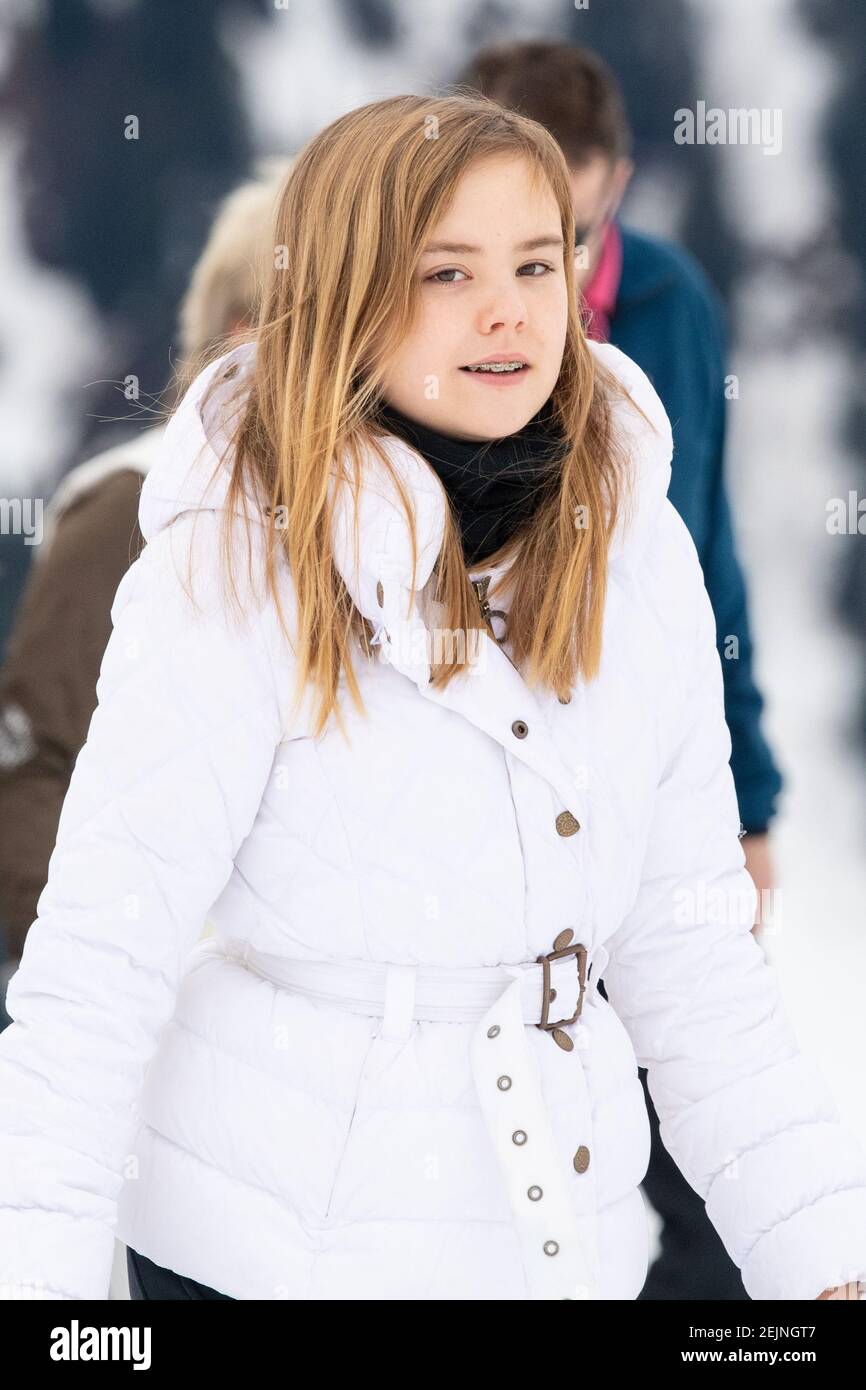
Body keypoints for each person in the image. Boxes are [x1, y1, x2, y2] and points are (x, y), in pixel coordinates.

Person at [0, 93, 863, 1303]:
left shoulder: (634, 546)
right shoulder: (243, 550)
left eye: (535, 261)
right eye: (445, 272)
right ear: (348, 295)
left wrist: (819, 1259)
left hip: (563, 1246)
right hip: (269, 1255)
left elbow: (692, 960)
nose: (506, 306)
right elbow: (100, 959)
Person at [456, 39, 784, 1298]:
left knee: (713, 1194)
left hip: (640, 806)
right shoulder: (416, 331)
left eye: (578, 235)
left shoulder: (672, 307)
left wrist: (746, 799)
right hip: (479, 824)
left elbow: (710, 562)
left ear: (620, 185)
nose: (560, 272)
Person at [0, 160, 290, 1021]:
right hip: (154, 1036)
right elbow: (28, 774)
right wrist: (155, 963)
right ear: (242, 335)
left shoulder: (370, 517)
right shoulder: (128, 503)